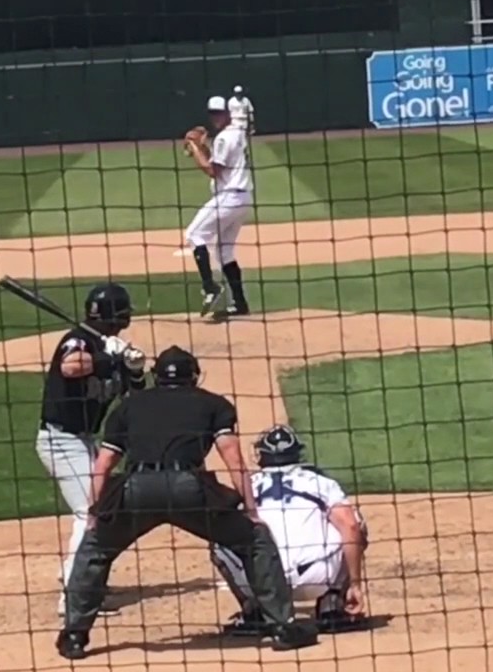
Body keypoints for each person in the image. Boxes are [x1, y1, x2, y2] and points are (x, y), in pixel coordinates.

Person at [55, 347, 320, 660]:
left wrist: (95, 514)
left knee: (95, 549)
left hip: (136, 490)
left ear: (156, 376)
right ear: (193, 376)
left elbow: (103, 465)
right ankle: (283, 628)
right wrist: (250, 511)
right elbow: (233, 460)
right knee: (255, 541)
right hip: (189, 490)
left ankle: (74, 635)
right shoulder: (213, 403)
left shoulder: (129, 405)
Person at [34, 282, 147, 617]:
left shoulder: (110, 347)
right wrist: (106, 357)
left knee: (104, 506)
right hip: (61, 440)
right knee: (91, 511)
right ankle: (75, 593)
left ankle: (77, 571)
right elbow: (71, 366)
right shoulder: (80, 341)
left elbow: (134, 400)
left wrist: (133, 369)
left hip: (85, 440)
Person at [209, 425, 370, 636]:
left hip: (262, 582)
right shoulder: (321, 482)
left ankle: (255, 612)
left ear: (262, 455)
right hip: (316, 579)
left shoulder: (247, 486)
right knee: (355, 525)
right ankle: (332, 608)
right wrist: (355, 584)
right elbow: (351, 527)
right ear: (297, 454)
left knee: (218, 539)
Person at [184, 95, 254, 322]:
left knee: (194, 234)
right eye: (212, 113)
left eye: (219, 113)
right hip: (242, 198)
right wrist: (202, 147)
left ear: (228, 113)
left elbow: (212, 171)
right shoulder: (237, 134)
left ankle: (210, 287)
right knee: (224, 252)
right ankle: (240, 303)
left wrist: (194, 148)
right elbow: (218, 163)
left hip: (229, 197)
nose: (215, 117)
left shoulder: (225, 137)